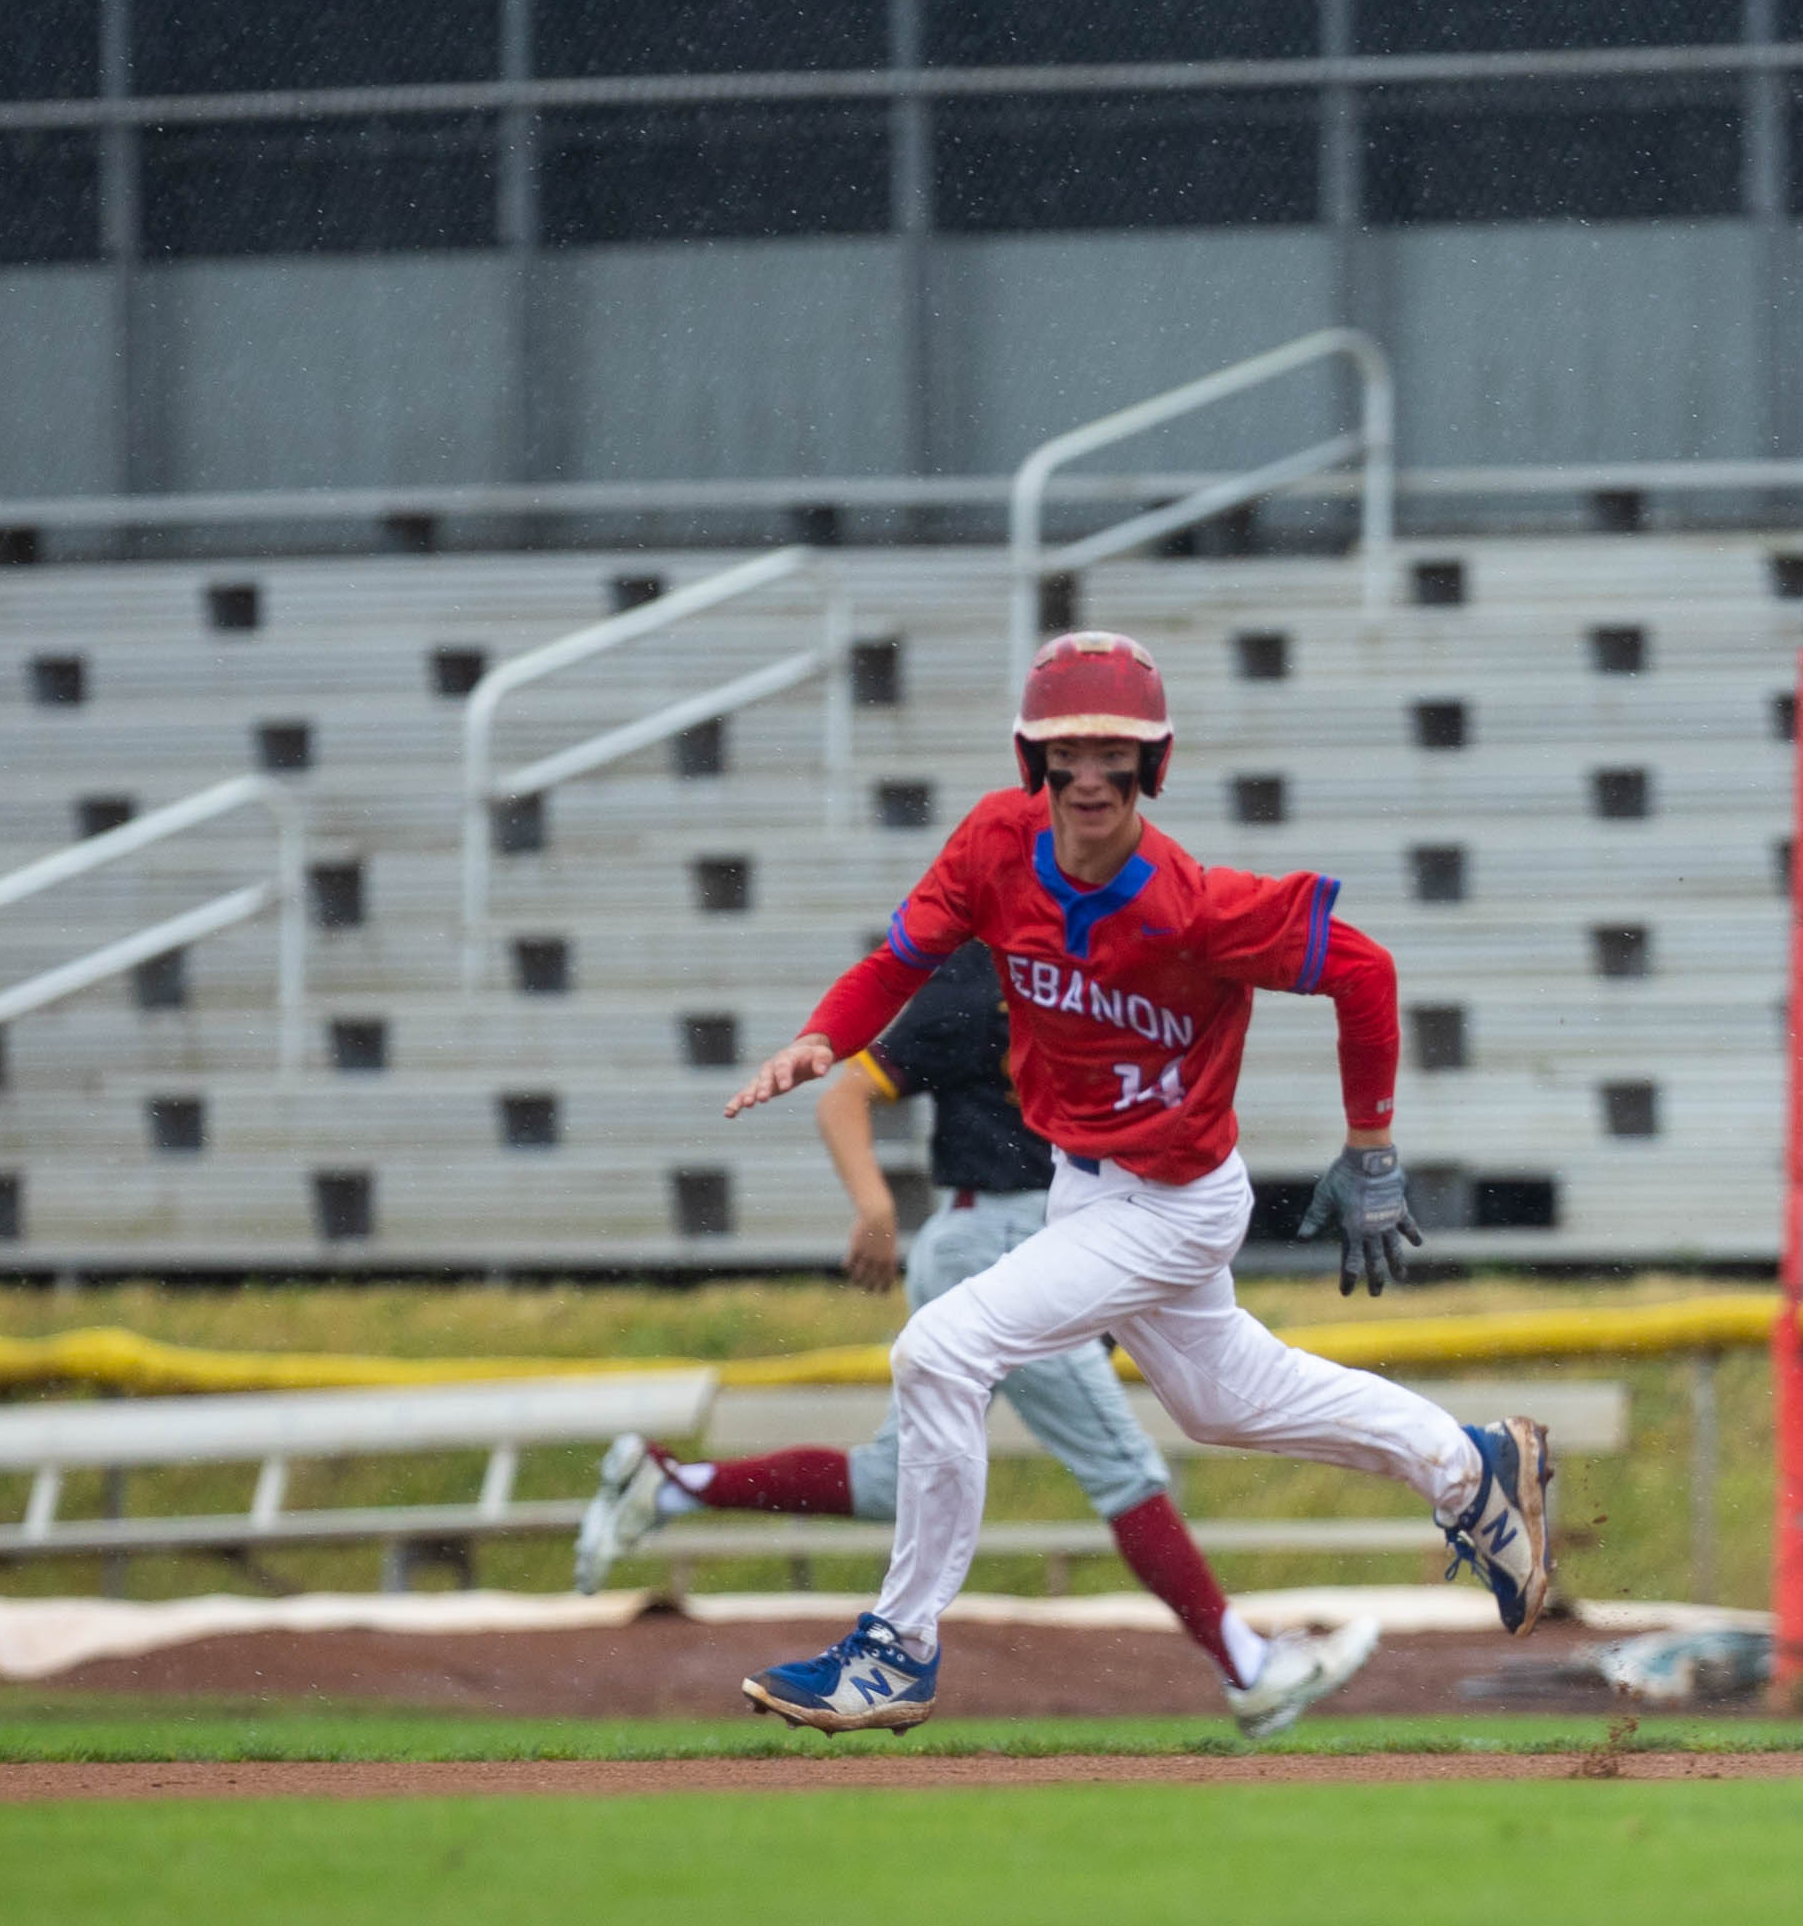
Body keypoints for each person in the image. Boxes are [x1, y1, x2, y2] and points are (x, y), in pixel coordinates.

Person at [720, 629, 1554, 1735]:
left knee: (938, 1348)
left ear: (1150, 765)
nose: (1089, 775)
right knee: (1221, 1402)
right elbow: (897, 962)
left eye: (1114, 753)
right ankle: (1468, 1464)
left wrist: (1371, 1145)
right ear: (1033, 759)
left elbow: (1364, 969)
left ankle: (897, 1648)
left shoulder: (1193, 904)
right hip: (1086, 1188)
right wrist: (824, 1036)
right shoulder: (995, 843)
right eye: (1066, 751)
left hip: (1171, 1201)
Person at [575, 939, 1381, 1738]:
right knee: (1121, 1462)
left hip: (1052, 1233)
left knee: (892, 1479)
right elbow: (844, 1096)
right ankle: (1248, 1665)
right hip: (1002, 1234)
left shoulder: (1086, 949)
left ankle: (673, 1483)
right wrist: (875, 1205)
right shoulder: (984, 971)